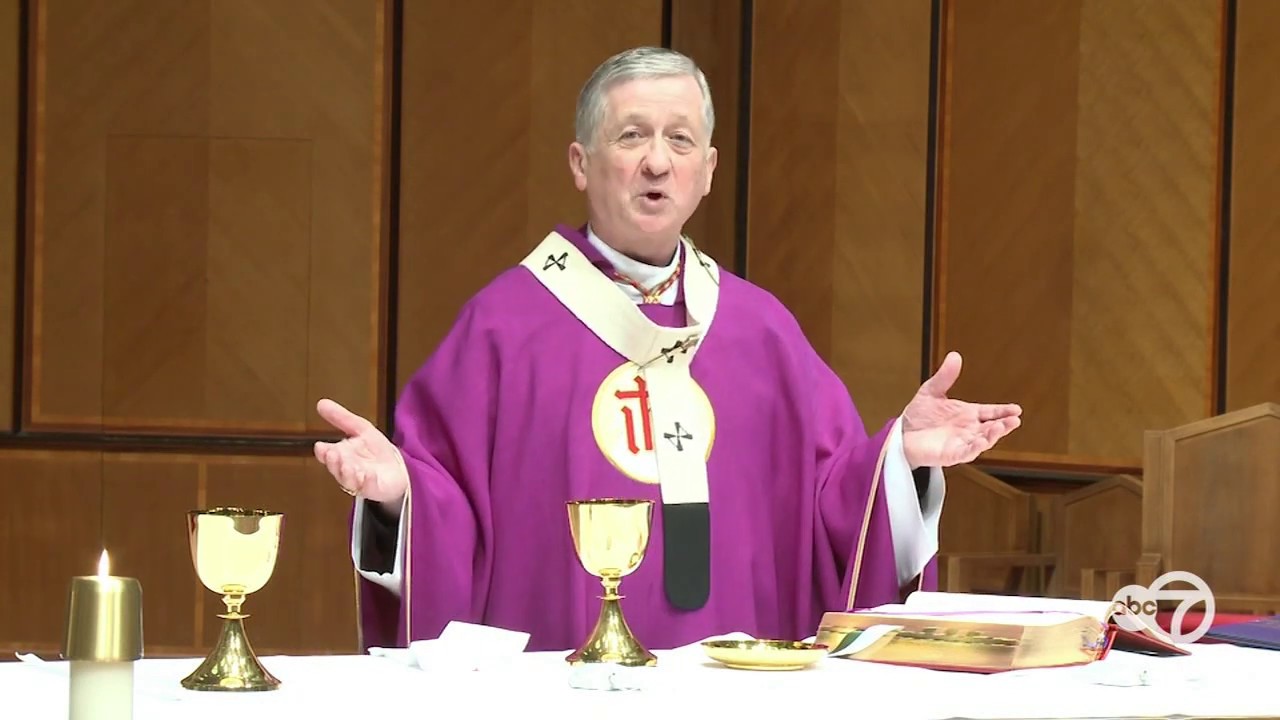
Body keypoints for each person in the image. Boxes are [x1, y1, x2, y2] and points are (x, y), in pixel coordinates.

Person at [313, 46, 1022, 654]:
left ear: (708, 170)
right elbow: (449, 506)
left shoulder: (761, 331)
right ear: (581, 163)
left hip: (730, 687)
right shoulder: (504, 328)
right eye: (632, 136)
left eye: (680, 141)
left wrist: (900, 459)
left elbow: (832, 507)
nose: (657, 161)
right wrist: (399, 496)